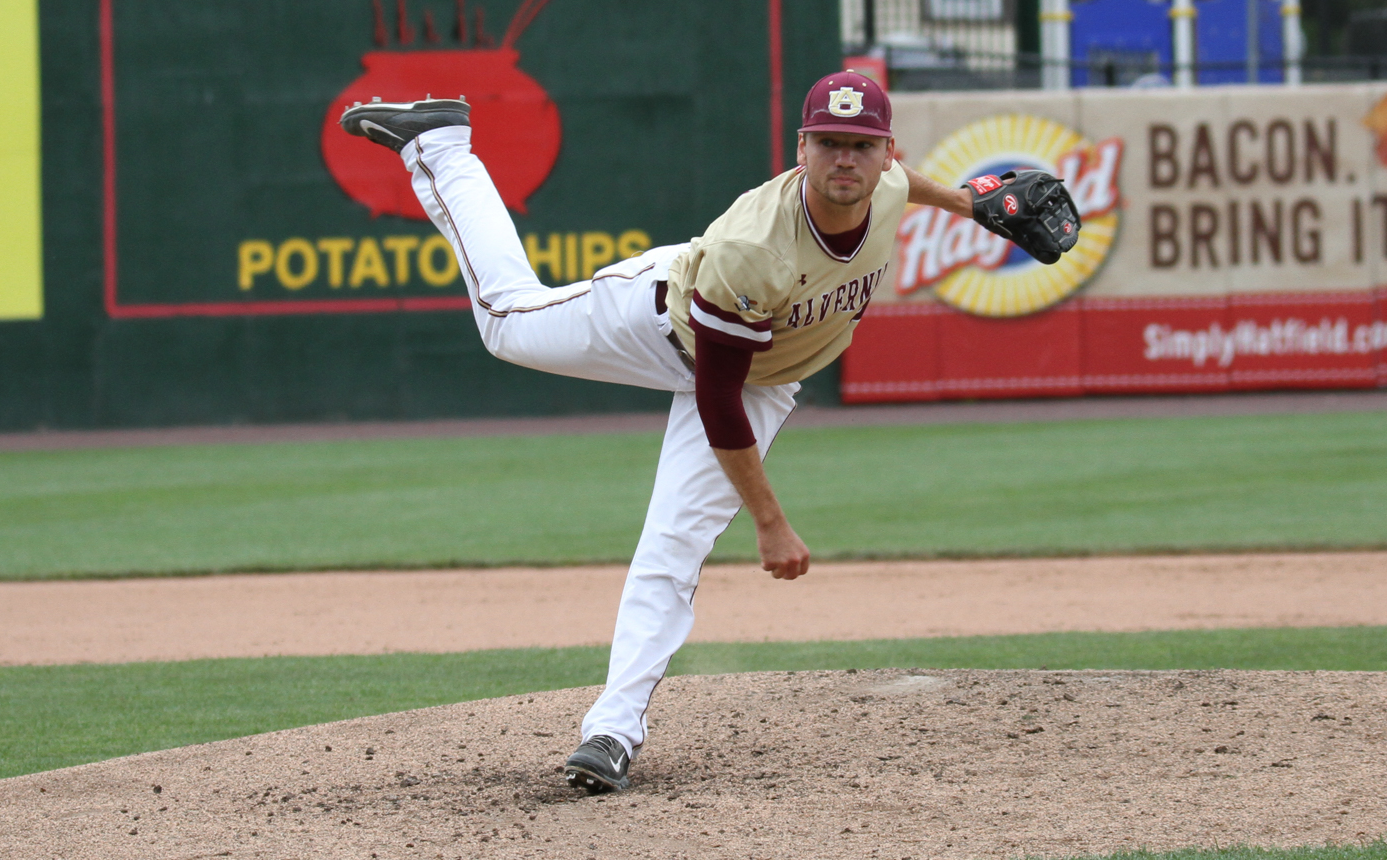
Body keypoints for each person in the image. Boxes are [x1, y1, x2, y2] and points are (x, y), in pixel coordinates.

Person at [342, 71, 979, 793]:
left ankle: (610, 734)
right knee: (505, 322)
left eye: (861, 146)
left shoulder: (885, 186)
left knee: (672, 545)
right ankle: (441, 143)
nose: (845, 160)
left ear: (888, 154)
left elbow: (904, 188)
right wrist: (770, 521)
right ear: (800, 148)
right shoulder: (755, 249)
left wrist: (971, 204)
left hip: (763, 377)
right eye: (829, 143)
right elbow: (716, 398)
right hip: (660, 324)